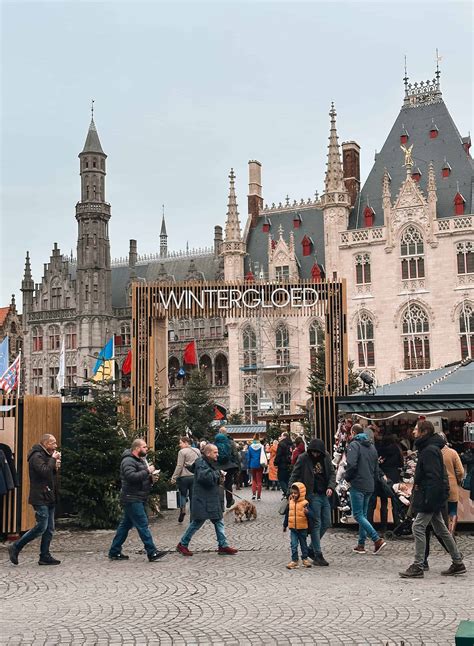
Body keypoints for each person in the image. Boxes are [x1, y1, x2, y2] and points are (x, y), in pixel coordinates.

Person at [399, 420, 466, 578]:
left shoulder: (428, 450)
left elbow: (434, 477)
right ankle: (457, 562)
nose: (413, 432)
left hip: (430, 496)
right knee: (441, 529)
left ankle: (418, 565)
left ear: (423, 432)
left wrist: (429, 499)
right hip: (434, 495)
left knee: (418, 527)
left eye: (416, 429)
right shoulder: (430, 448)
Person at [108, 438, 166, 562]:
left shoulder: (139, 460)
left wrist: (151, 479)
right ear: (137, 449)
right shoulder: (128, 461)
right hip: (132, 498)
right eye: (144, 447)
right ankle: (152, 552)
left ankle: (114, 551)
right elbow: (131, 477)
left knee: (125, 525)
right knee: (142, 524)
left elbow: (140, 478)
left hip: (137, 496)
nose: (146, 449)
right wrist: (147, 471)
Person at [8, 434, 61, 566]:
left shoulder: (46, 456)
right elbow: (44, 472)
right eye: (53, 443)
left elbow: (49, 474)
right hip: (40, 497)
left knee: (49, 528)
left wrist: (55, 465)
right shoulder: (36, 456)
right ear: (45, 443)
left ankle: (45, 556)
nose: (55, 446)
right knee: (41, 527)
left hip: (49, 496)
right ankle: (16, 546)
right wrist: (53, 460)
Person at [176, 443, 238, 556]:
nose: (217, 454)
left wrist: (219, 475)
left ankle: (223, 545)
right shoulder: (202, 463)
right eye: (215, 452)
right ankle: (183, 544)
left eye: (217, 452)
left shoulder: (209, 463)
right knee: (196, 523)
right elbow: (205, 478)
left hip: (210, 499)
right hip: (203, 499)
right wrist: (218, 475)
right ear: (208, 453)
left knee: (218, 521)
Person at [289, 438, 336, 566]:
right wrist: (290, 491)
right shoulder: (303, 458)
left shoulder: (326, 457)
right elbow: (295, 473)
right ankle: (318, 554)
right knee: (316, 523)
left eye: (317, 453)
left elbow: (332, 473)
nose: (315, 455)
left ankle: (310, 548)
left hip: (324, 494)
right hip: (311, 495)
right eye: (313, 452)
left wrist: (331, 487)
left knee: (326, 523)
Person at [344, 425, 386, 555]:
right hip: (369, 484)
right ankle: (361, 544)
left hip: (357, 483)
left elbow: (351, 464)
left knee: (358, 515)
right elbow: (375, 468)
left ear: (353, 432)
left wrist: (347, 478)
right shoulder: (372, 447)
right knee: (363, 514)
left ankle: (376, 539)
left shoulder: (354, 445)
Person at [368, 433, 404, 532]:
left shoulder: (380, 450)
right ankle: (396, 524)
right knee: (394, 501)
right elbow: (401, 463)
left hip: (383, 477)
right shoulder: (397, 449)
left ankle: (382, 526)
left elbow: (377, 464)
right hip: (394, 476)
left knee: (382, 501)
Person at [283, 482, 314, 570]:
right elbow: (287, 514)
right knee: (293, 544)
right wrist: (285, 525)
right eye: (292, 493)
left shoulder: (305, 503)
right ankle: (294, 560)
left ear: (301, 493)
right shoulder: (290, 502)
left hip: (303, 528)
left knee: (303, 544)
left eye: (295, 493)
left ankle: (305, 558)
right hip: (293, 528)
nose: (293, 494)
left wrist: (308, 513)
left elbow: (312, 515)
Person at [171, 436, 201, 523]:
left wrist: (174, 477)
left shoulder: (182, 452)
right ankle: (193, 517)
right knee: (192, 497)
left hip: (183, 477)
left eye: (181, 443)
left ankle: (183, 509)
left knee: (183, 494)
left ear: (186, 443)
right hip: (194, 476)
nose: (179, 445)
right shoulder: (197, 451)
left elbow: (179, 466)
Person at [441, 440, 464, 535]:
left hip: (438, 486)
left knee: (440, 510)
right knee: (453, 510)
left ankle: (442, 532)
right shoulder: (452, 452)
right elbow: (461, 471)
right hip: (452, 484)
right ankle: (451, 532)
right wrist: (458, 480)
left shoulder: (433, 453)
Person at [214, 428, 240, 508]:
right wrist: (238, 467)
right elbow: (236, 455)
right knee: (228, 484)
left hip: (218, 466)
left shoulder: (215, 443)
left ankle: (220, 504)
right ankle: (229, 501)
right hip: (229, 466)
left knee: (219, 484)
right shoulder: (231, 442)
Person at [247, 435, 266, 500]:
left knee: (254, 480)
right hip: (260, 465)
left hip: (252, 465)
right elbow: (264, 455)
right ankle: (259, 496)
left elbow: (248, 457)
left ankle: (253, 494)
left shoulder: (250, 447)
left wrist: (248, 466)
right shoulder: (262, 446)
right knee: (259, 481)